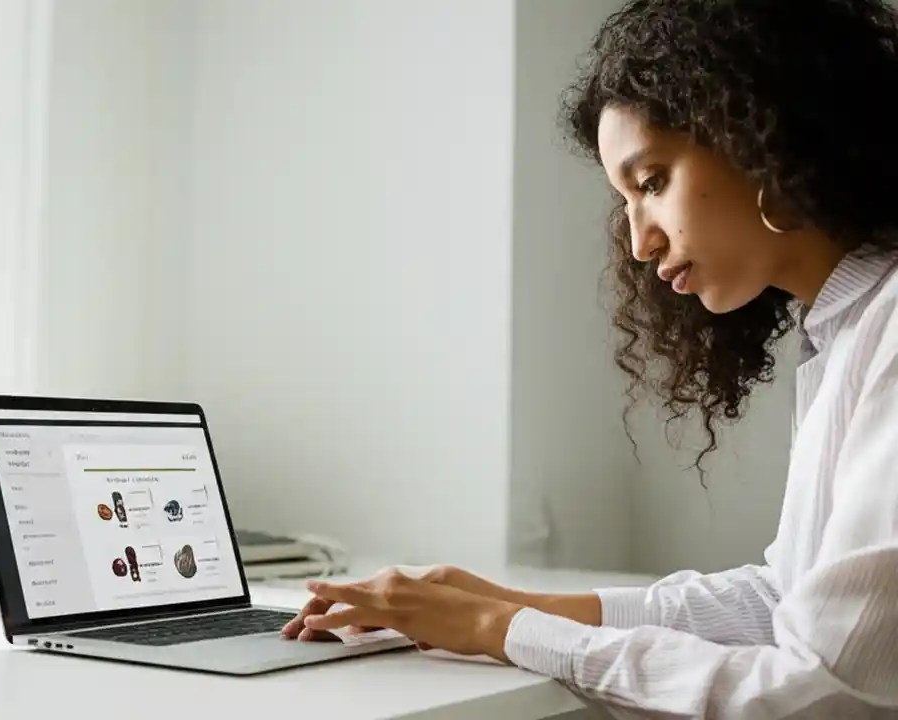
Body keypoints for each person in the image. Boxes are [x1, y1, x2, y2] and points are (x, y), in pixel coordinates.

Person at [280, 0, 898, 716]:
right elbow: (782, 598)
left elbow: (819, 690)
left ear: (762, 133)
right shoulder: (845, 326)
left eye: (653, 182)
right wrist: (503, 601)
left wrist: (497, 628)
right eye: (626, 200)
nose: (640, 243)